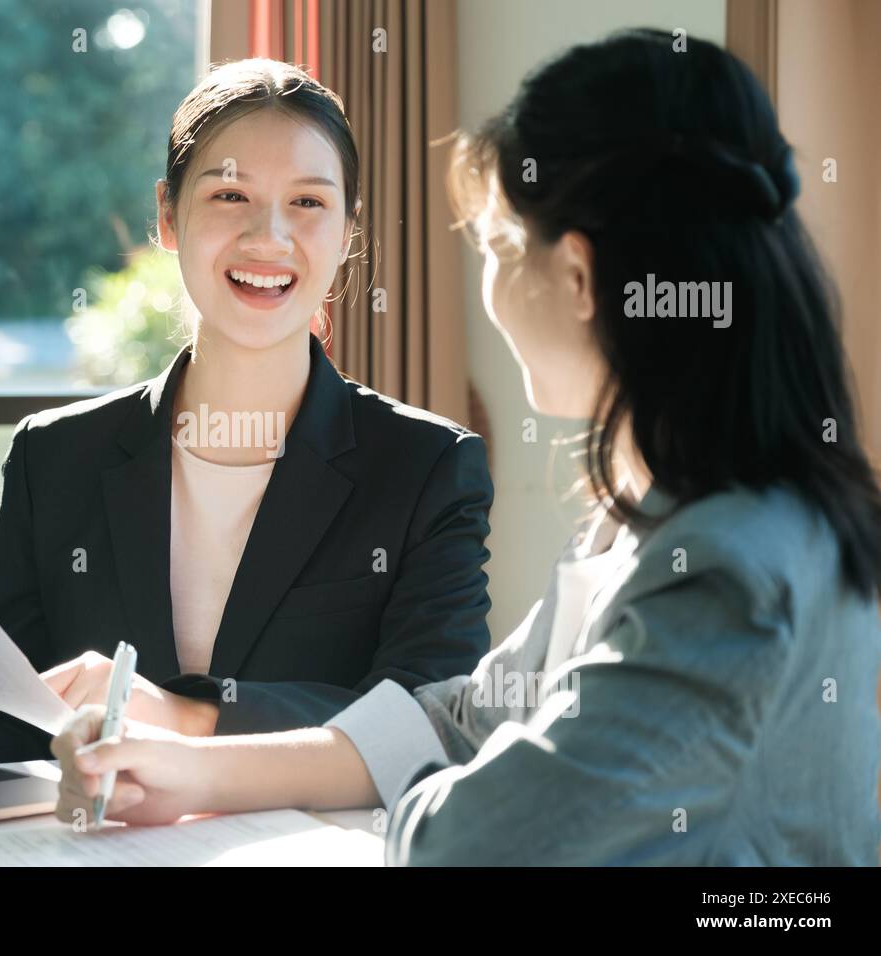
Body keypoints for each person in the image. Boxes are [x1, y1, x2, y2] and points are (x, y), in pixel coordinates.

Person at [50, 30, 881, 865]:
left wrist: (380, 805)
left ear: (579, 277)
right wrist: (197, 774)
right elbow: (461, 720)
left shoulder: (722, 567)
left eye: (492, 247)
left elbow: (478, 837)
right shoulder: (652, 521)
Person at [0, 59, 493, 764]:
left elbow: (427, 714)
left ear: (349, 228)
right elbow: (12, 710)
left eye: (308, 203)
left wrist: (179, 712)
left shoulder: (428, 469)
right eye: (231, 195)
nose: (269, 237)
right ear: (168, 217)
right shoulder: (55, 458)